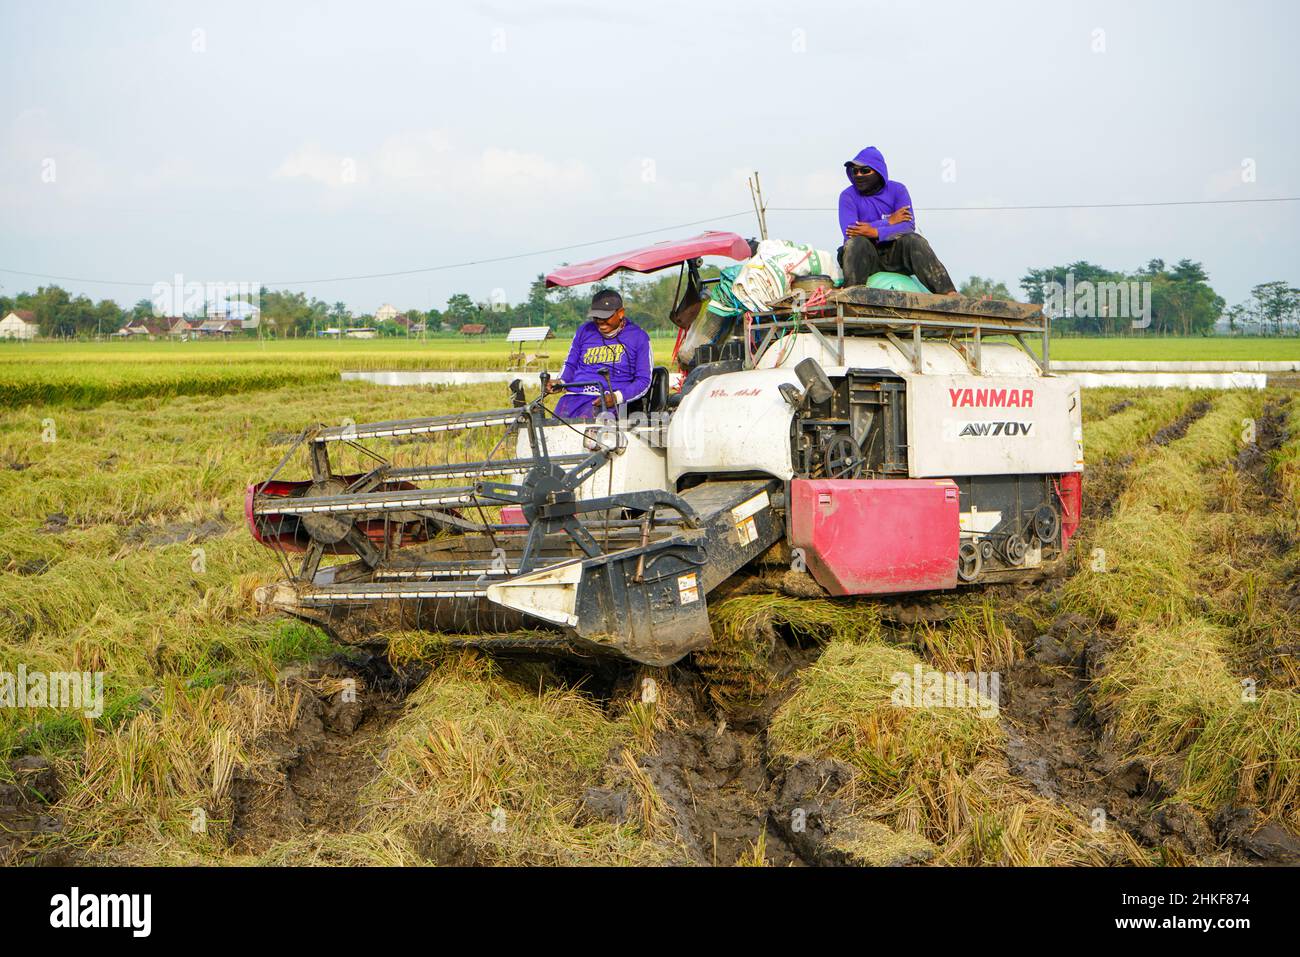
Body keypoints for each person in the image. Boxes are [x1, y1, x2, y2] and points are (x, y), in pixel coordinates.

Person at [837, 146, 957, 295]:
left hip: (894, 255)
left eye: (865, 170)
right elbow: (851, 232)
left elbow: (907, 225)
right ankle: (853, 294)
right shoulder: (847, 196)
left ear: (878, 171)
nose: (859, 175)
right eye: (855, 171)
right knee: (856, 243)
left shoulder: (898, 190)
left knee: (914, 240)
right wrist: (890, 221)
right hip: (865, 259)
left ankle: (949, 293)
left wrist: (874, 231)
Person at [548, 289, 652, 419]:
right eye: (596, 317)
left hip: (610, 402)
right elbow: (570, 364)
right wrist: (560, 381)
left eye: (605, 317)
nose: (600, 321)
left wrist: (617, 397)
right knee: (550, 429)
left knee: (585, 433)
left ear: (620, 313)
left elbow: (643, 380)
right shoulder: (584, 331)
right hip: (573, 398)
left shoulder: (638, 337)